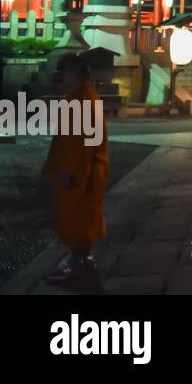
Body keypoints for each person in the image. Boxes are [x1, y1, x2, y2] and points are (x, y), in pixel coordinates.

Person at [42, 54, 109, 292]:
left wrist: (71, 171)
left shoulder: (82, 100)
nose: (64, 76)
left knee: (78, 220)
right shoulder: (83, 97)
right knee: (81, 219)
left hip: (80, 171)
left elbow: (82, 145)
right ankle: (82, 261)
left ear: (78, 74)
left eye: (68, 72)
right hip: (84, 169)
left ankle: (75, 266)